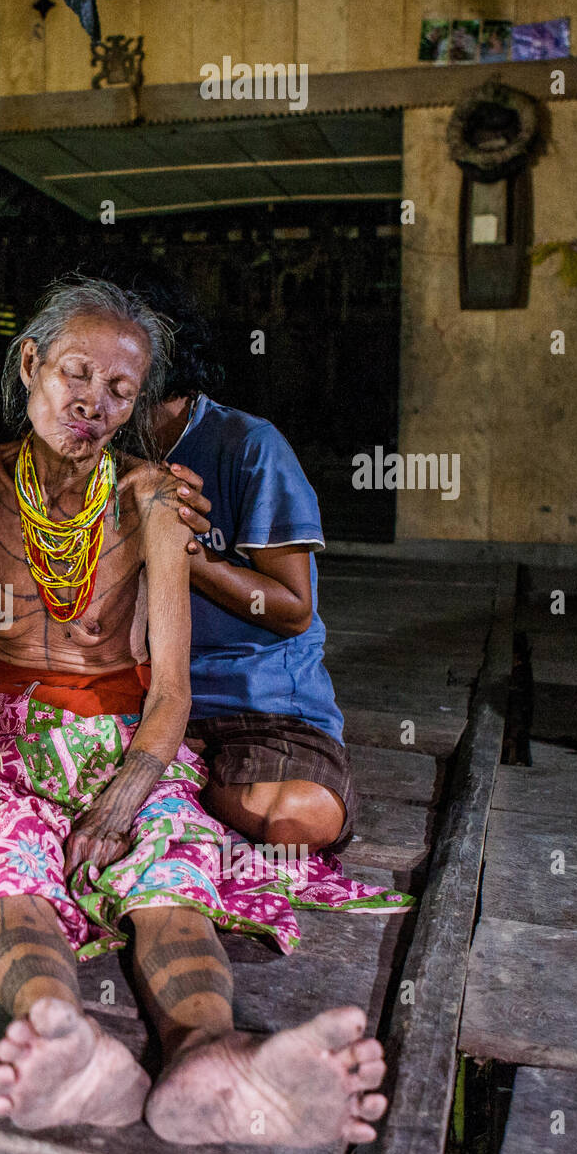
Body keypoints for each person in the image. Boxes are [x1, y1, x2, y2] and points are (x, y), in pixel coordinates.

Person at [0, 277, 408, 1146]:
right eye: (77, 372)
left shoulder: (153, 496)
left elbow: (173, 692)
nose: (94, 402)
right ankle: (62, 1037)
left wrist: (123, 801)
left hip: (124, 737)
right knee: (6, 873)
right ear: (30, 363)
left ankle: (210, 1055)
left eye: (120, 389)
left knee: (168, 873)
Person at [132, 267, 358, 861]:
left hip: (252, 707)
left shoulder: (249, 446)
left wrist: (188, 556)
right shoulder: (100, 449)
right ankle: (184, 783)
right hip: (138, 697)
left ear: (159, 359)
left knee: (299, 816)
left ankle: (188, 783)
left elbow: (291, 610)